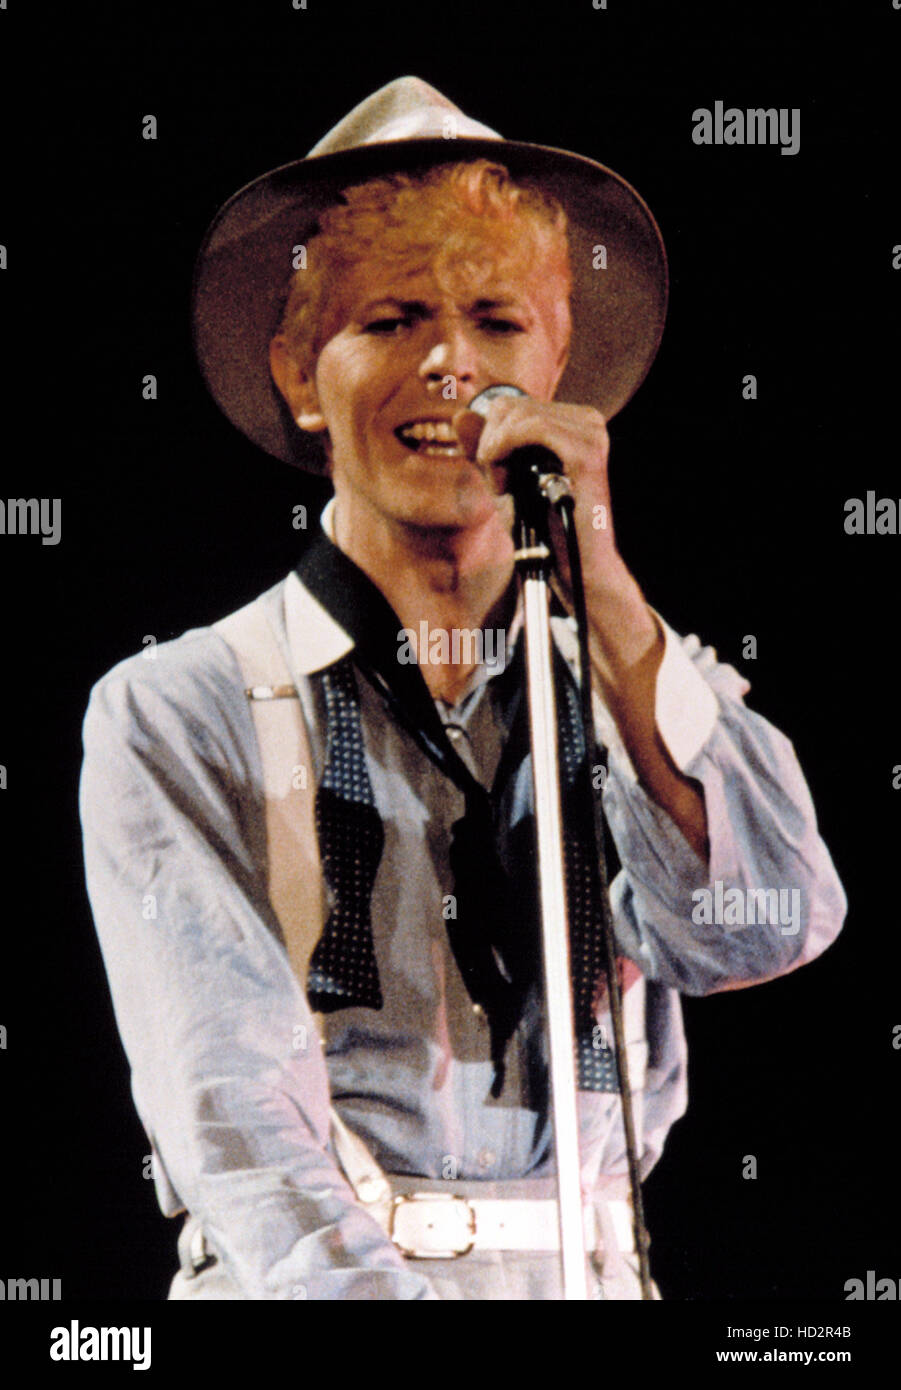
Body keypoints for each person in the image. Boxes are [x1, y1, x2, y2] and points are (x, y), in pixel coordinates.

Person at [79, 77, 846, 1301]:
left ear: (556, 366)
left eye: (495, 322)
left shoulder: (633, 678)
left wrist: (612, 613)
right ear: (297, 370)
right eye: (389, 321)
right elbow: (233, 1116)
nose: (450, 365)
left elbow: (761, 927)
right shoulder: (180, 708)